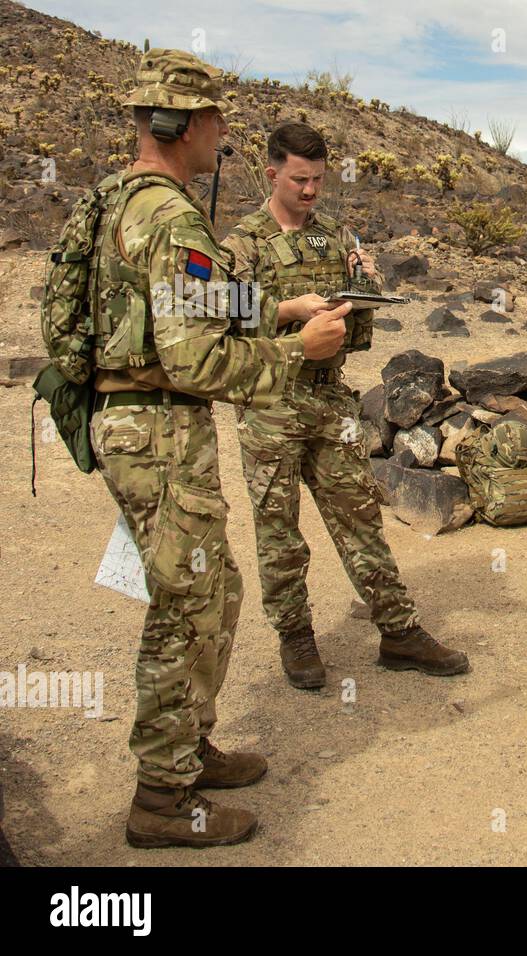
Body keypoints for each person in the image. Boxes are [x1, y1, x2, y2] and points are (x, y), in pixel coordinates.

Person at [86, 50, 352, 846]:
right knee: (187, 604)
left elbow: (183, 300)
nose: (224, 134)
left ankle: (189, 750)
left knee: (215, 589)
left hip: (139, 424)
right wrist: (296, 349)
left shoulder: (118, 199)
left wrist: (275, 302)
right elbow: (195, 357)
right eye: (216, 119)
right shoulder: (171, 216)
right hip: (158, 432)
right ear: (184, 123)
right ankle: (163, 801)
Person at [223, 122, 469, 689]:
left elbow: (355, 337)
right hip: (269, 400)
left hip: (330, 398)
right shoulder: (242, 243)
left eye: (317, 180)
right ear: (272, 173)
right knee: (278, 529)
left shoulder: (336, 237)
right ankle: (297, 639)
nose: (310, 191)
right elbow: (225, 319)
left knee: (359, 517)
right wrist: (287, 309)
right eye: (299, 179)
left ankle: (399, 632)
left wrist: (363, 294)